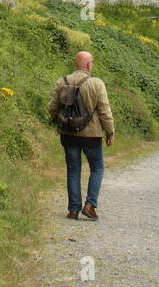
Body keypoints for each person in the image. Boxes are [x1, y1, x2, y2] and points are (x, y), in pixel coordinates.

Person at [47, 51, 114, 220]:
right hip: (92, 135)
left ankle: (73, 209)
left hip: (68, 134)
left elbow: (52, 108)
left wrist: (60, 121)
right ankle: (90, 205)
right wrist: (110, 131)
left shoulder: (62, 82)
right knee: (97, 168)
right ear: (89, 65)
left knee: (73, 169)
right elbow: (104, 111)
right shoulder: (97, 84)